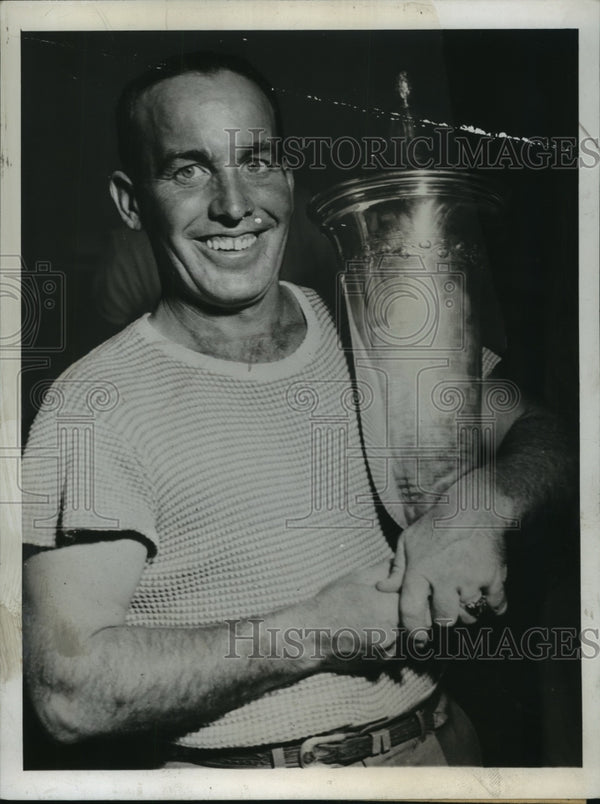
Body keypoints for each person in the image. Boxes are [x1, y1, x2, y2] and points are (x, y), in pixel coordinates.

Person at [22, 51, 573, 769]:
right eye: (188, 169)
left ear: (289, 174)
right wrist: (315, 630)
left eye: (257, 160)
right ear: (131, 200)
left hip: (441, 752)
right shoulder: (90, 407)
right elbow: (68, 693)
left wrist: (482, 508)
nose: (233, 203)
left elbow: (552, 439)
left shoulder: (376, 323)